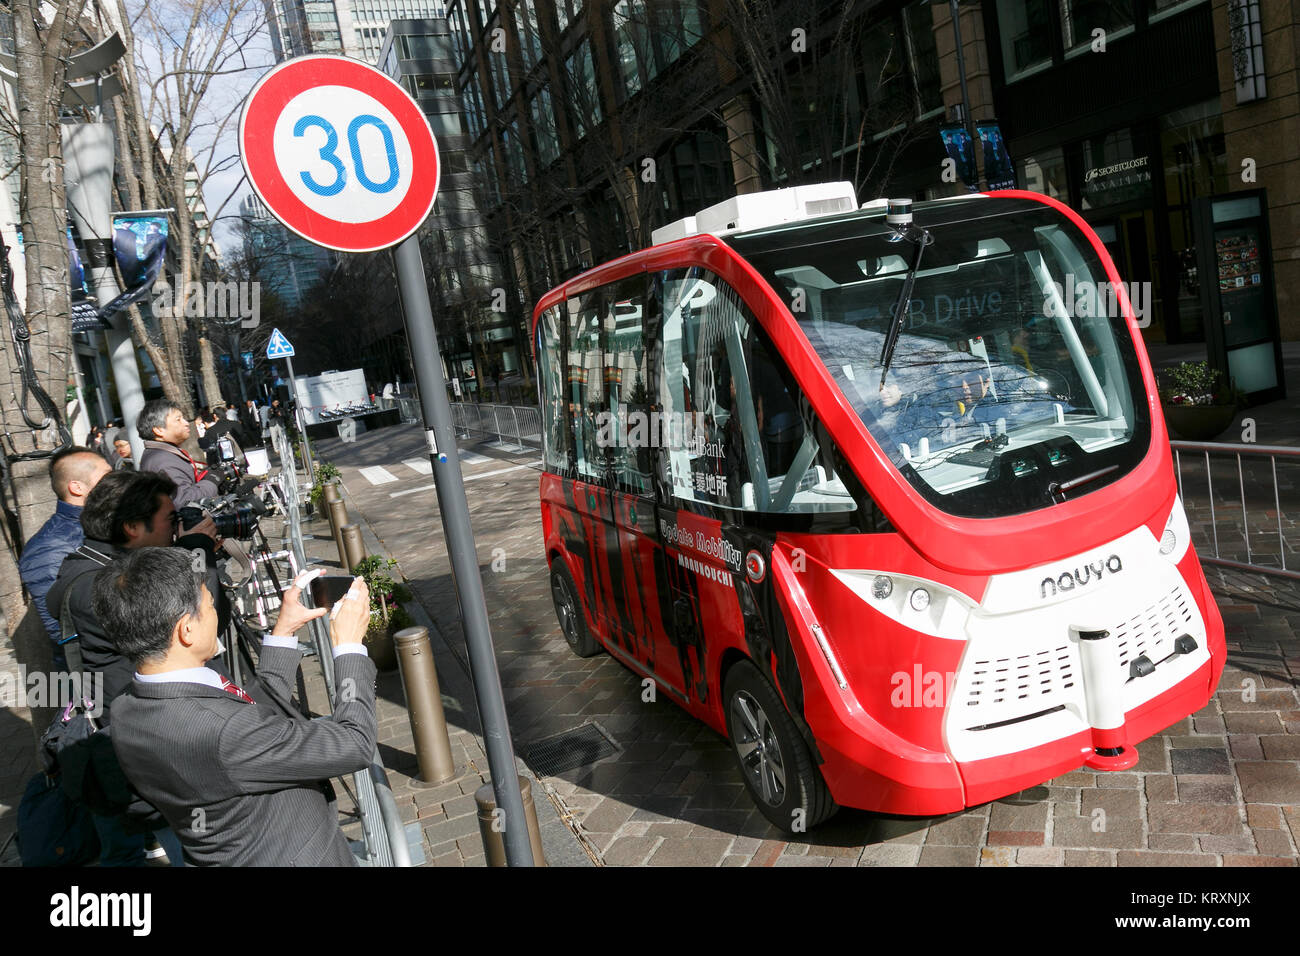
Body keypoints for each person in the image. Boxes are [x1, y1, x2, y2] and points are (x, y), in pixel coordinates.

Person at [101, 549, 375, 867]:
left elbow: (251, 724)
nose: (216, 612)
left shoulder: (127, 708)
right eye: (208, 605)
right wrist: (349, 648)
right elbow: (354, 744)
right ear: (185, 630)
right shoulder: (220, 731)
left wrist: (283, 632)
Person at [46, 470, 223, 723]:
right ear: (131, 527)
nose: (176, 529)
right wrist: (198, 551)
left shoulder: (92, 564)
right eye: (171, 520)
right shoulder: (106, 584)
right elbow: (199, 626)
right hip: (154, 727)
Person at [17, 447, 112, 664]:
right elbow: (65, 630)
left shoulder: (109, 520)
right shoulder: (47, 549)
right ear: (76, 487)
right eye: (107, 477)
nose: (116, 482)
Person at [136, 398, 220, 507]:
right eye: (178, 419)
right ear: (159, 430)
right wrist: (212, 480)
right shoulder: (162, 461)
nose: (186, 423)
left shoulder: (163, 453)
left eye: (183, 418)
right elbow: (183, 501)